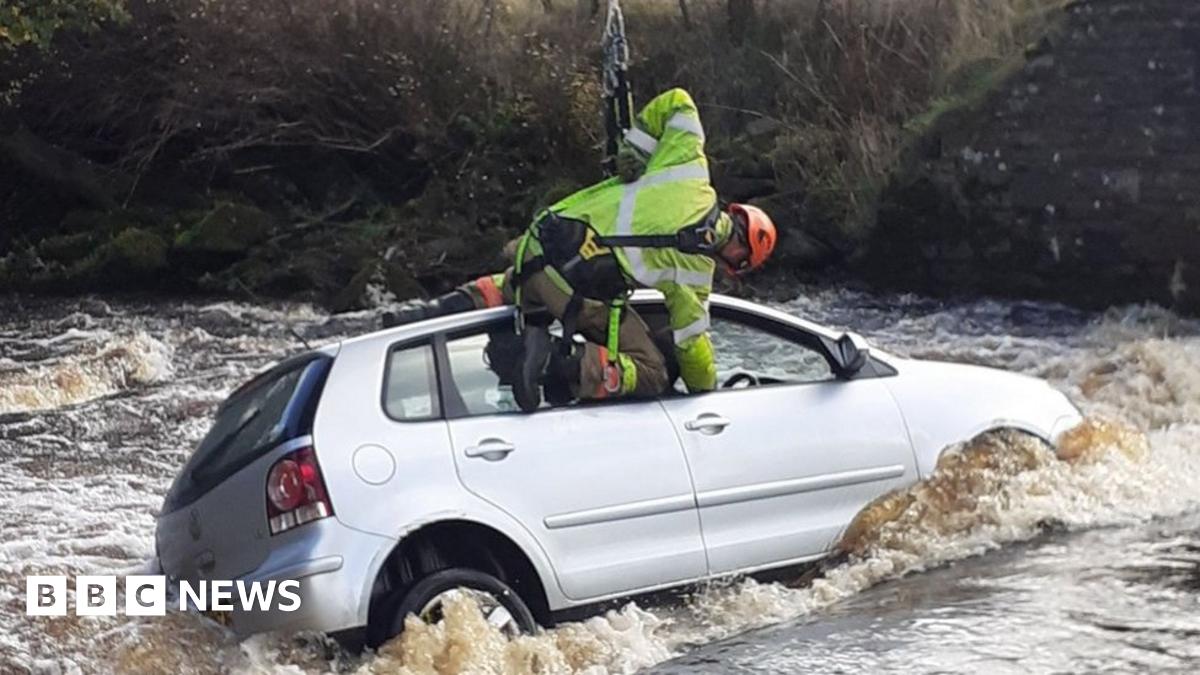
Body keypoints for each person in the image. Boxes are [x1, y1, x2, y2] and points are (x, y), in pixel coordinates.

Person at [382, 88, 776, 411]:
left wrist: (635, 152)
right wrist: (707, 396)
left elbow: (679, 101)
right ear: (739, 255)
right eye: (741, 265)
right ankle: (557, 359)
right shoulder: (694, 276)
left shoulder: (689, 167)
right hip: (572, 291)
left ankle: (421, 314)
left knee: (515, 281)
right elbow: (693, 352)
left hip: (538, 242)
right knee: (652, 370)